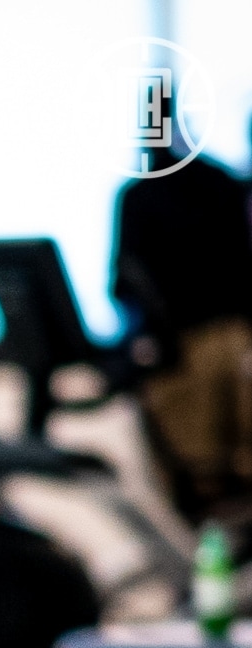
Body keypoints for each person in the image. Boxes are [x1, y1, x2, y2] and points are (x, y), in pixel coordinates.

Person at [113, 136, 252, 522]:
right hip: (182, 354)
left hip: (205, 353)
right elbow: (124, 284)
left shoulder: (220, 188)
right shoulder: (145, 197)